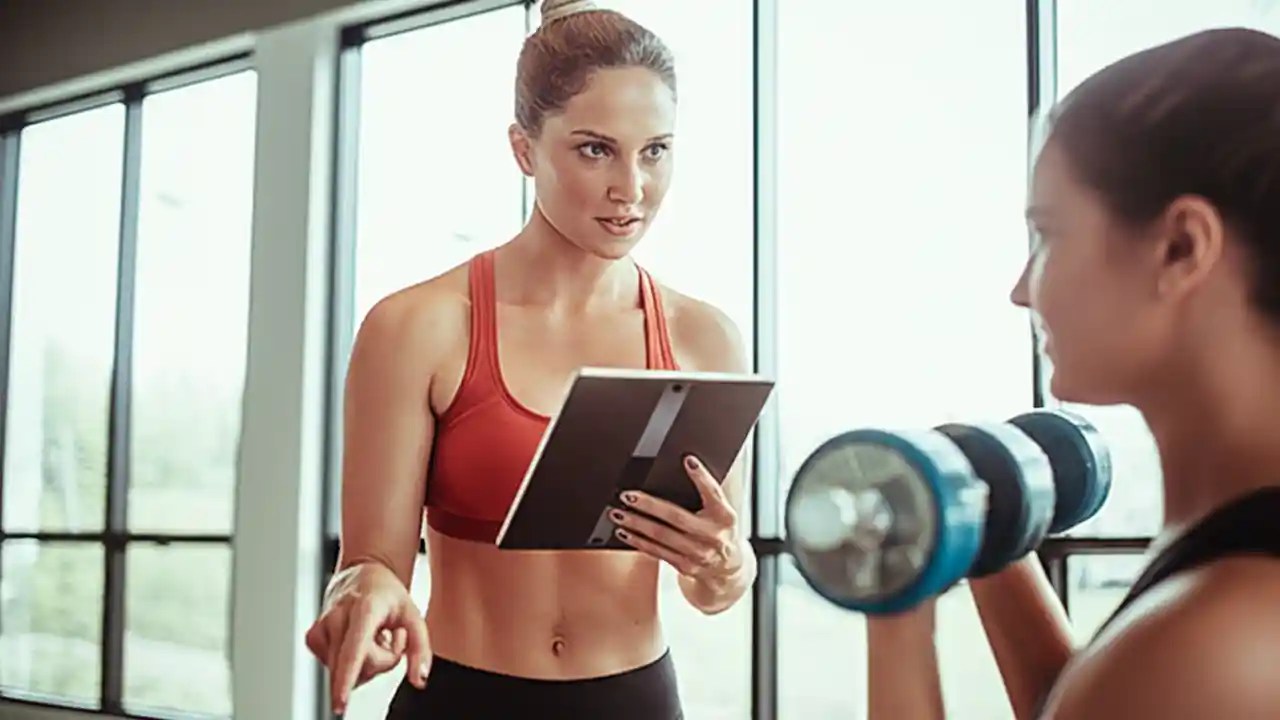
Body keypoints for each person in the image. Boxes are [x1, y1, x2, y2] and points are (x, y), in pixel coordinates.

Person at [303, 1, 756, 717]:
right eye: (594, 149)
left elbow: (717, 584)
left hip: (633, 699)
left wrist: (727, 566)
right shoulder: (416, 327)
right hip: (459, 696)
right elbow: (370, 563)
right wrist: (366, 593)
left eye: (655, 150)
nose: (631, 188)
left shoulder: (706, 340)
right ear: (524, 150)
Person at [868, 27, 1280, 720]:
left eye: (1049, 234)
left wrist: (894, 600)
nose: (1022, 289)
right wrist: (996, 544)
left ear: (1180, 248)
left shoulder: (1214, 641)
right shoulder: (1225, 583)